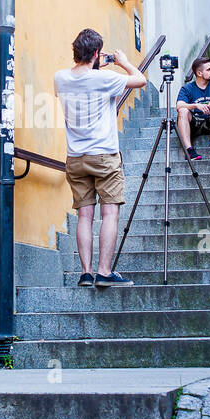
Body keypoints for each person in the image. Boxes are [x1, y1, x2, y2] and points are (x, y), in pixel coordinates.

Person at [55, 28, 147, 288]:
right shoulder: (105, 78)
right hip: (104, 156)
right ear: (96, 53)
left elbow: (82, 82)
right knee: (110, 214)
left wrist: (95, 64)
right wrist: (122, 62)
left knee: (84, 216)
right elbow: (140, 80)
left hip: (75, 157)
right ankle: (104, 272)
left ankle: (85, 273)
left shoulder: (60, 78)